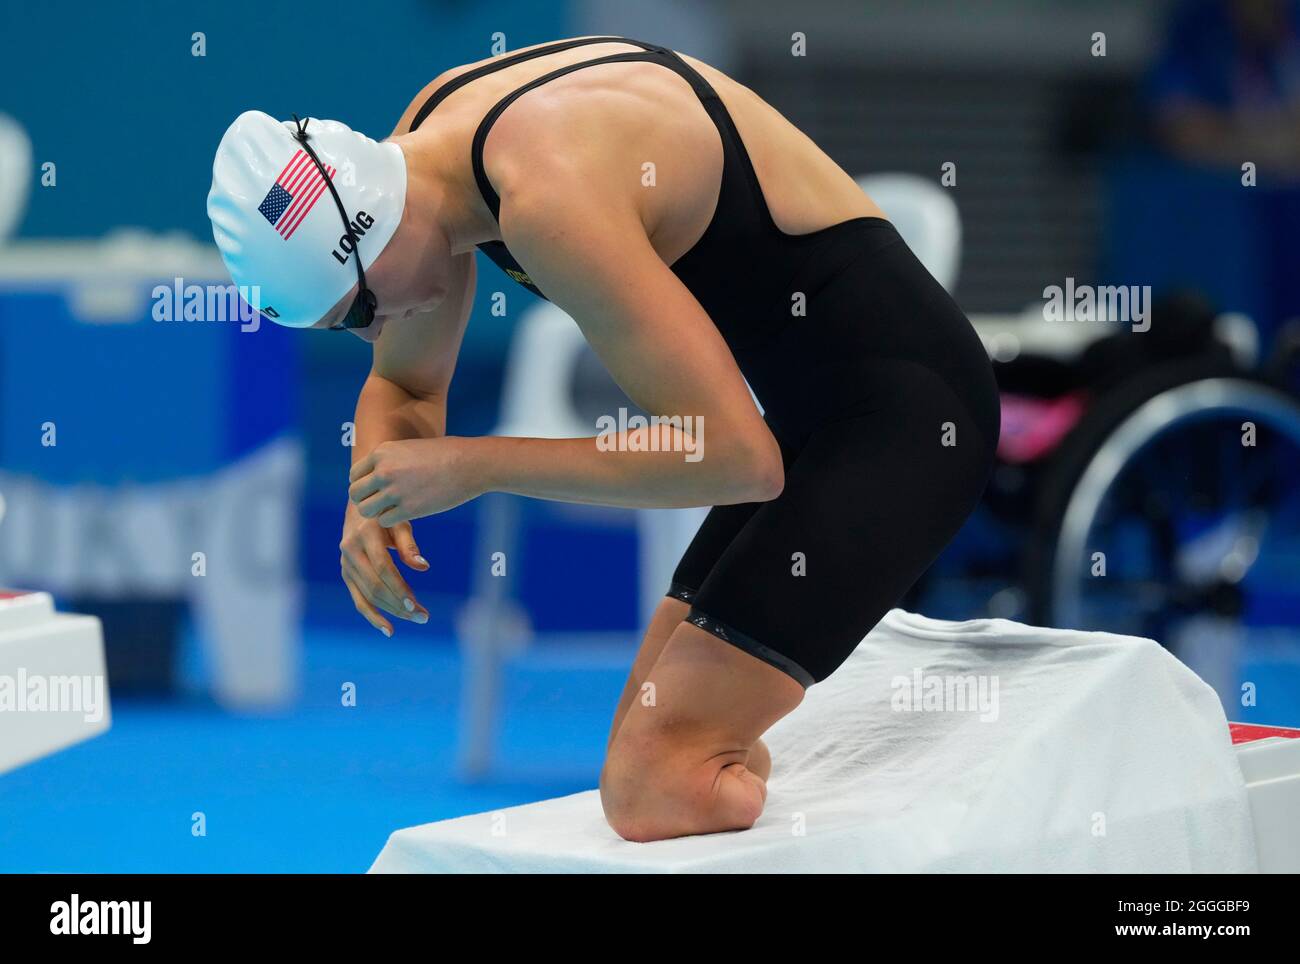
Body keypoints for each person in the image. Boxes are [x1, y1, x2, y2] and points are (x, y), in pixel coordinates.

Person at [207, 36, 999, 842]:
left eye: (358, 310)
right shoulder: (423, 151)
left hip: (905, 421)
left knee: (653, 786)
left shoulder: (548, 195)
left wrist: (477, 466)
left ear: (374, 228)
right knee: (651, 767)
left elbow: (733, 458)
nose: (373, 332)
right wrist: (366, 500)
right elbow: (407, 387)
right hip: (809, 426)